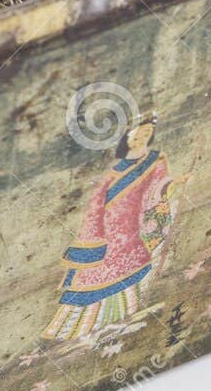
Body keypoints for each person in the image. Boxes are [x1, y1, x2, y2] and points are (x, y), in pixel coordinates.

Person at [43, 114, 178, 341]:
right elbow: (96, 205)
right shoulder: (114, 171)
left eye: (146, 134)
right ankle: (82, 327)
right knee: (96, 274)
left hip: (134, 227)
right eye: (137, 135)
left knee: (132, 267)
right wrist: (93, 239)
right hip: (108, 230)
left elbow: (160, 187)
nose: (142, 138)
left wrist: (170, 186)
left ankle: (123, 317)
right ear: (127, 139)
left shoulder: (155, 161)